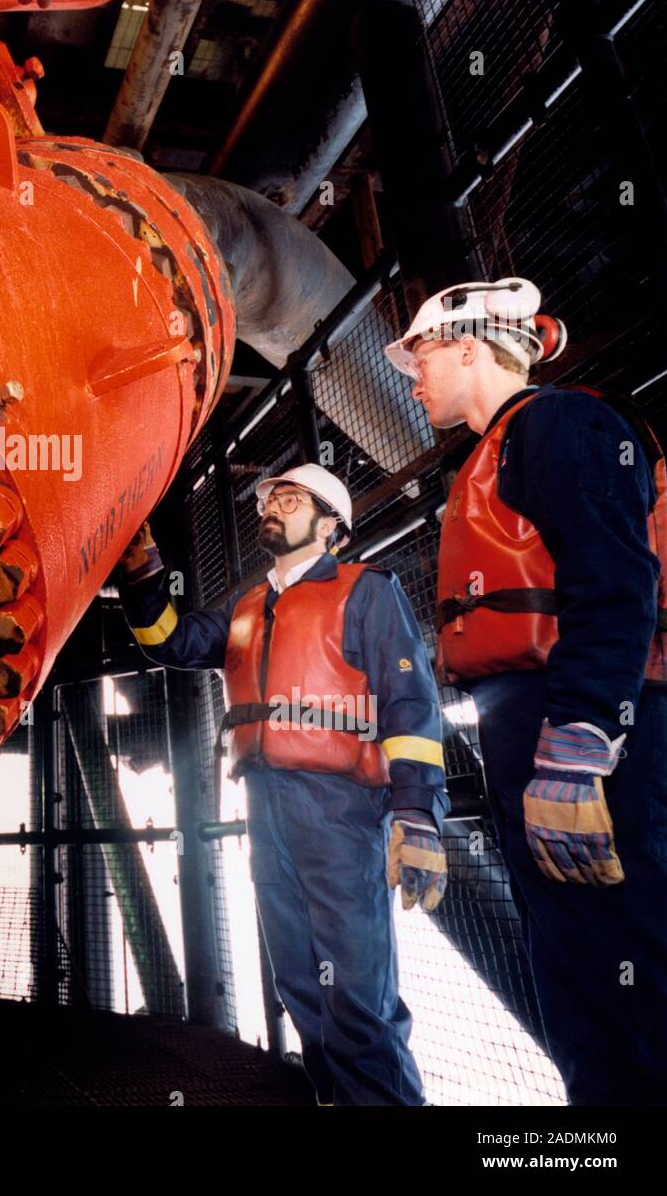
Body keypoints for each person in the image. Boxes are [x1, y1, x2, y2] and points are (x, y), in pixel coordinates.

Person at [384, 276, 667, 1105]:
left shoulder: (558, 425)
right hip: (534, 730)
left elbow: (616, 583)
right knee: (581, 986)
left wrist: (577, 749)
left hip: (590, 735)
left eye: (422, 355)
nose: (414, 377)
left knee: (632, 982)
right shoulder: (499, 448)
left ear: (468, 346)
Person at [116, 463, 448, 1105]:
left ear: (332, 529)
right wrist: (141, 574)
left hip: (342, 812)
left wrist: (418, 813)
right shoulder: (245, 610)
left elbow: (411, 703)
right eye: (272, 498)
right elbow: (173, 642)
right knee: (300, 981)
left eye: (293, 499)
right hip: (265, 809)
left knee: (357, 994)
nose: (275, 504)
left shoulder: (368, 592)